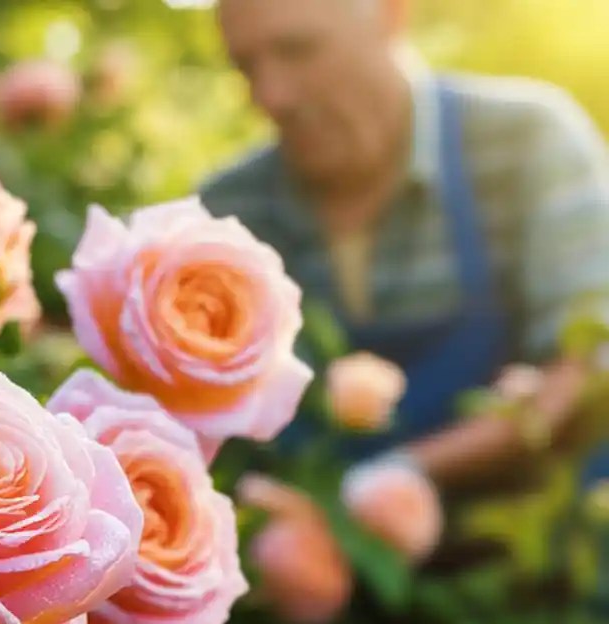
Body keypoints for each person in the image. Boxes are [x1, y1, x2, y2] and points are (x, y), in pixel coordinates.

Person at [199, 0, 609, 491]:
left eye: (298, 49)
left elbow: (586, 361)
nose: (272, 96)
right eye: (246, 66)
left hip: (535, 539)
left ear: (390, 14)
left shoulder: (526, 143)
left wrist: (397, 479)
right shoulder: (230, 210)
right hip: (324, 556)